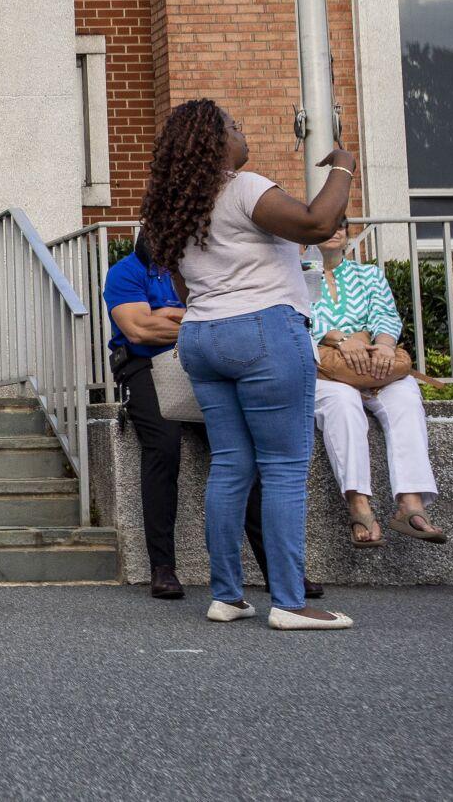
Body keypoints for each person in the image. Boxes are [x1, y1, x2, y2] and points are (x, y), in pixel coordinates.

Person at [139, 98, 353, 631]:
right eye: (234, 126)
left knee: (232, 465)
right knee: (282, 469)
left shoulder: (171, 207)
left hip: (203, 337)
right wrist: (345, 164)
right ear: (214, 142)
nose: (243, 131)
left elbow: (187, 286)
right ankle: (289, 603)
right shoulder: (244, 186)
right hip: (263, 331)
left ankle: (227, 595)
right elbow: (317, 223)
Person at [104, 242, 322, 601]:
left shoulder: (197, 264)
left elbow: (222, 317)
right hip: (145, 365)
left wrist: (175, 319)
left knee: (242, 454)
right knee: (163, 445)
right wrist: (199, 320)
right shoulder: (125, 271)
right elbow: (140, 330)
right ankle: (163, 567)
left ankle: (280, 571)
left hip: (202, 360)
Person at [308, 224, 444, 545]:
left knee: (407, 395)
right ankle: (358, 505)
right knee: (342, 403)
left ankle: (410, 504)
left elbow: (385, 315)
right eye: (326, 224)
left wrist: (383, 345)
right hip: (325, 369)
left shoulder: (368, 275)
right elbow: (300, 318)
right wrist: (341, 340)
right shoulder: (299, 275)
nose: (334, 230)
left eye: (340, 223)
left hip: (372, 364)